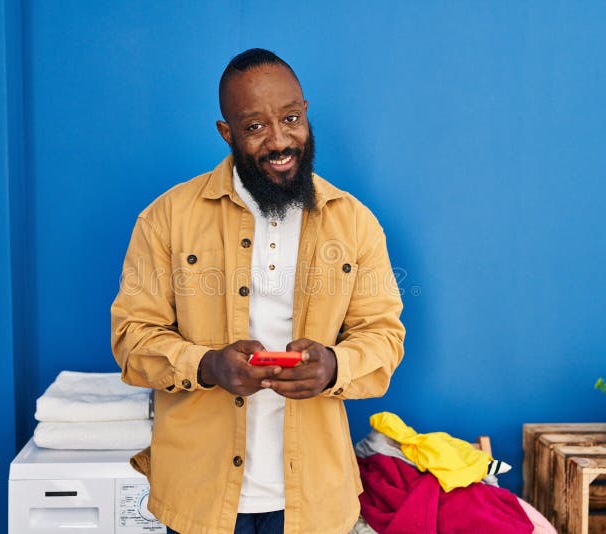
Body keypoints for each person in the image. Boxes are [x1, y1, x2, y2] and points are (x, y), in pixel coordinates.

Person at [111, 48, 405, 534]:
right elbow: (131, 338)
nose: (280, 140)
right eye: (255, 127)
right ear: (227, 133)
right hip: (200, 499)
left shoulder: (355, 223)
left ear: (305, 113)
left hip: (314, 501)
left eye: (290, 118)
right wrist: (207, 366)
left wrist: (335, 367)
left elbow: (383, 336)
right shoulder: (166, 218)